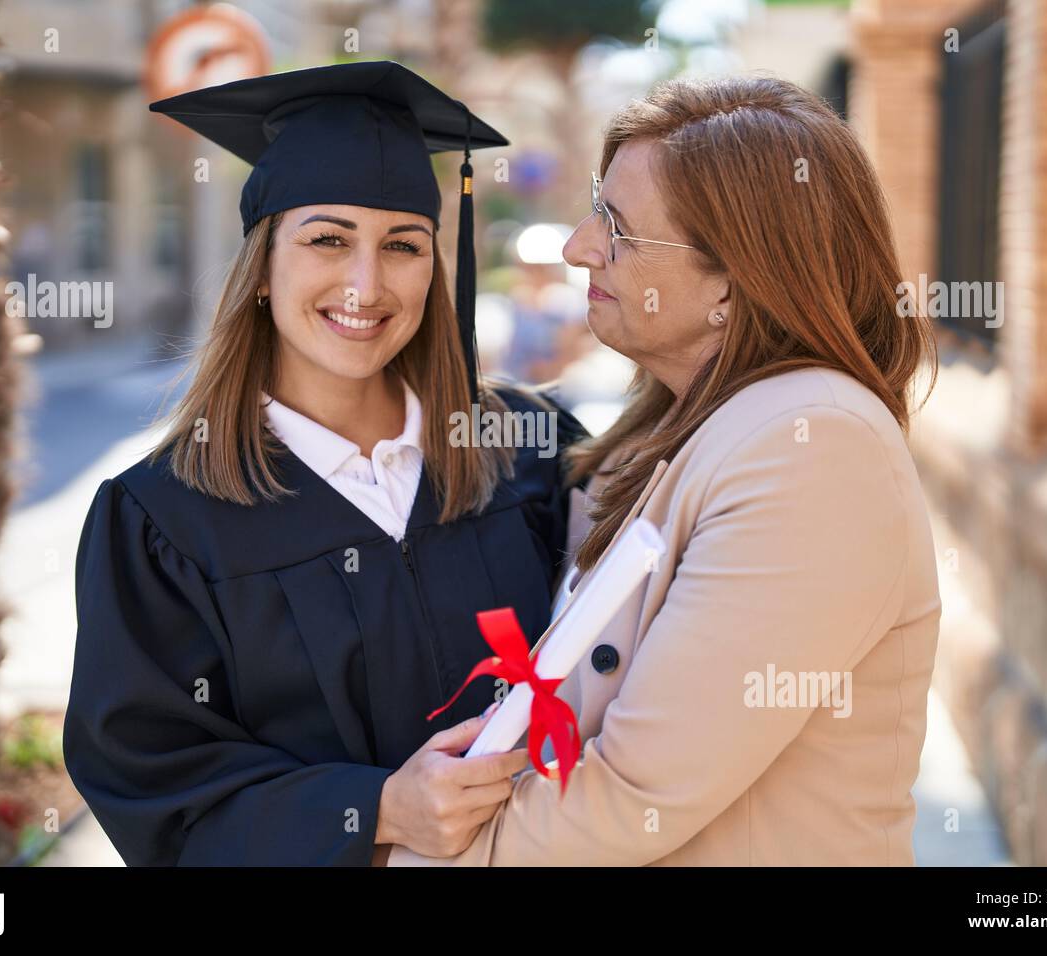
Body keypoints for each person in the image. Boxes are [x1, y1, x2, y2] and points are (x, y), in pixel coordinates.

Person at [388, 74, 942, 866]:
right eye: (593, 207)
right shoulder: (684, 428)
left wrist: (394, 856)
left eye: (618, 227)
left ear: (735, 275)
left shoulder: (814, 450)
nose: (580, 246)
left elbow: (633, 797)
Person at [63, 61, 586, 866]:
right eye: (327, 239)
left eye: (404, 245)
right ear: (263, 268)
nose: (366, 283)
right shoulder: (163, 519)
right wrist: (372, 811)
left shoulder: (528, 447)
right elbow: (154, 784)